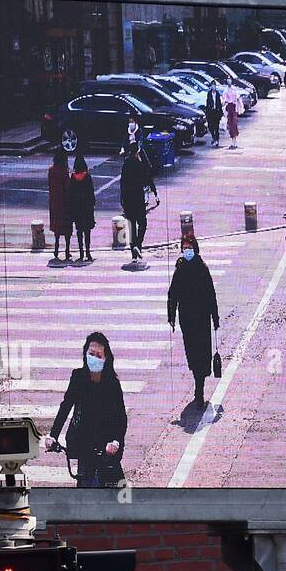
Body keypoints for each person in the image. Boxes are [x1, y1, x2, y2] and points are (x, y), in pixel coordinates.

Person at [46, 332, 128, 488]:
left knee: (116, 489)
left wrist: (116, 441)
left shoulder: (112, 383)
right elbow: (66, 406)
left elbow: (121, 418)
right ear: (85, 354)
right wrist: (53, 435)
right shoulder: (78, 377)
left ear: (105, 358)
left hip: (106, 443)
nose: (94, 358)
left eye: (99, 355)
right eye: (91, 354)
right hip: (82, 441)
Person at [167, 235, 220, 410]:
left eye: (190, 247)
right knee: (192, 353)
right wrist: (171, 316)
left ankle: (199, 389)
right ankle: (198, 384)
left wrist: (215, 317)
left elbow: (211, 294)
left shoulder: (202, 268)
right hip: (187, 319)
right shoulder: (180, 268)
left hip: (202, 318)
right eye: (184, 248)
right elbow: (172, 294)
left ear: (195, 249)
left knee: (202, 354)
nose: (187, 251)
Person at [119, 140, 157, 261]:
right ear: (138, 152)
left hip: (128, 199)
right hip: (138, 198)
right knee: (142, 224)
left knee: (131, 226)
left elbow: (122, 183)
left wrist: (122, 200)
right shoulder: (139, 165)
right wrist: (154, 191)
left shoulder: (125, 165)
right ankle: (138, 245)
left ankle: (133, 252)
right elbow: (147, 177)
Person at [68, 153, 96, 262]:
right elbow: (91, 192)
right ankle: (88, 252)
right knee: (87, 231)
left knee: (79, 231)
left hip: (77, 208)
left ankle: (81, 252)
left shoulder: (73, 177)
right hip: (86, 207)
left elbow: (71, 193)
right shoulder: (87, 176)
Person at [48, 147, 73, 261]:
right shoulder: (64, 171)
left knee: (57, 227)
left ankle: (57, 247)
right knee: (67, 227)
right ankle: (67, 250)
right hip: (65, 202)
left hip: (54, 201)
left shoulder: (51, 170)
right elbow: (67, 187)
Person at [204, 81, 224, 147]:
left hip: (216, 112)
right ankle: (213, 137)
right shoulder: (209, 94)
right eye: (212, 85)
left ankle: (217, 140)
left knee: (216, 127)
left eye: (214, 85)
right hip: (210, 112)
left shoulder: (217, 94)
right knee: (211, 126)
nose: (213, 87)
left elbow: (219, 103)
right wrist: (207, 112)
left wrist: (221, 113)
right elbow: (207, 103)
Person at [224, 82, 242, 150]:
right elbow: (224, 99)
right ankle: (233, 140)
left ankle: (235, 139)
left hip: (234, 107)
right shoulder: (226, 90)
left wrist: (239, 106)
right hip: (229, 107)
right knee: (230, 124)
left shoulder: (234, 90)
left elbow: (238, 98)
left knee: (234, 123)